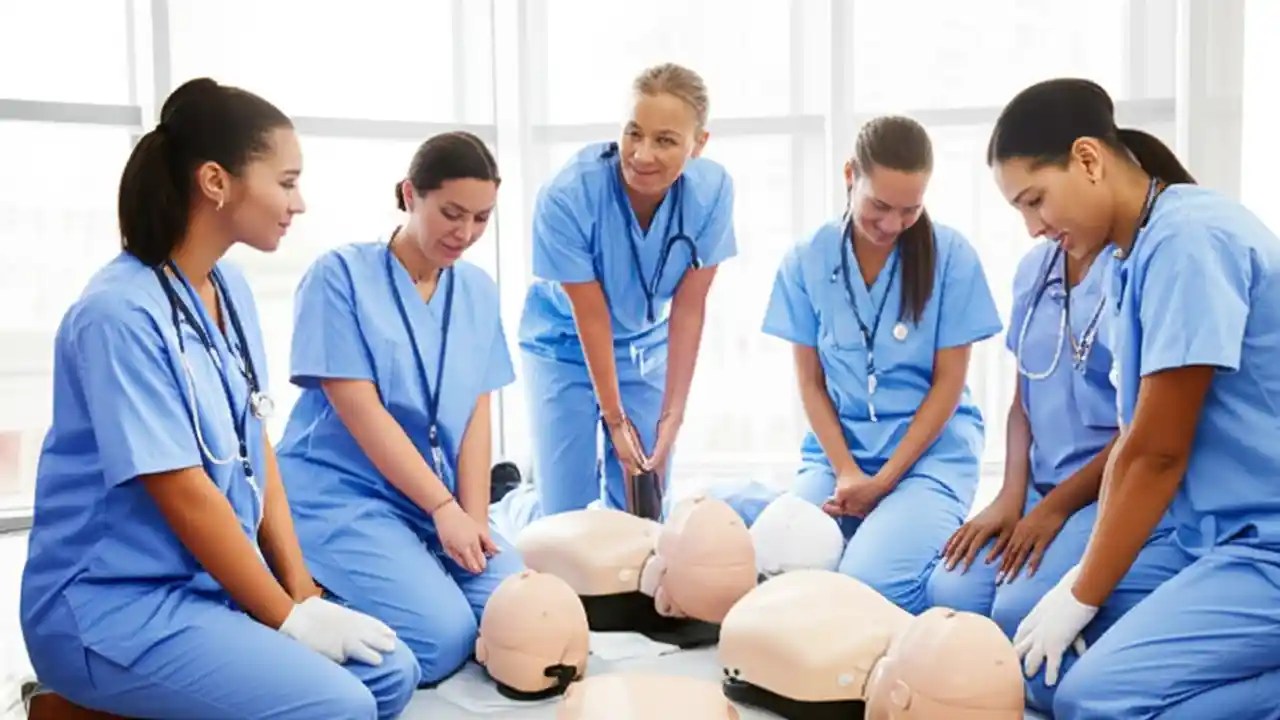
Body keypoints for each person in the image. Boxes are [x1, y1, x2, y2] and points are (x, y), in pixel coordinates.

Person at [18, 78, 419, 720]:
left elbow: (255, 446)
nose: (300, 202)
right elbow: (182, 490)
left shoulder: (226, 289)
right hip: (109, 606)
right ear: (216, 182)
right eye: (286, 182)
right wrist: (286, 620)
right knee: (339, 708)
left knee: (392, 674)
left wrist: (302, 592)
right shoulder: (116, 315)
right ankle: (75, 701)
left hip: (203, 587)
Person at [989, 77, 1280, 719]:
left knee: (1095, 700)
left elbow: (1157, 455)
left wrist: (1082, 594)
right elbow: (1132, 440)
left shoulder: (1189, 241)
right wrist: (1078, 583)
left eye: (1035, 201)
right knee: (1031, 662)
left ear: (1088, 160)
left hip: (1266, 544)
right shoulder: (1131, 255)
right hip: (1203, 532)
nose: (1033, 227)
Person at [275, 131, 525, 686]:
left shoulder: (477, 291)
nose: (465, 234)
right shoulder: (339, 277)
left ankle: (414, 574)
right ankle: (298, 597)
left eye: (482, 218)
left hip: (435, 503)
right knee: (441, 640)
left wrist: (475, 520)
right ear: (410, 194)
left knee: (519, 606)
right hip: (341, 494)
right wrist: (442, 509)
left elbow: (476, 414)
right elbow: (361, 413)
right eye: (452, 213)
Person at [761, 115, 1002, 615]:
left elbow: (949, 384)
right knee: (781, 562)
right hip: (838, 453)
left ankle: (930, 579)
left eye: (910, 210)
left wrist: (884, 482)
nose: (893, 225)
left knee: (866, 588)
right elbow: (810, 381)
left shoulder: (952, 257)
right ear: (851, 176)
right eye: (879, 206)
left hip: (927, 456)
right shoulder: (807, 259)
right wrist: (848, 472)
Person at [497, 63, 736, 529]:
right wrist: (614, 419)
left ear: (698, 145)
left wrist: (673, 416)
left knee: (643, 504)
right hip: (563, 342)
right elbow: (591, 315)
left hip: (643, 344)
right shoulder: (569, 195)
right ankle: (510, 499)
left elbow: (689, 308)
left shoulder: (713, 191)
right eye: (634, 133)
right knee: (566, 518)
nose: (642, 154)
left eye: (666, 140)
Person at [926, 230, 1128, 637]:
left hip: (1103, 489)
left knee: (1016, 609)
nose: (1035, 222)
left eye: (1037, 199)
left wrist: (1053, 510)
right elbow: (1023, 400)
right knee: (948, 592)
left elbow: (1141, 428)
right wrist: (1009, 495)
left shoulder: (1132, 272)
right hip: (1039, 483)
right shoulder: (1037, 268)